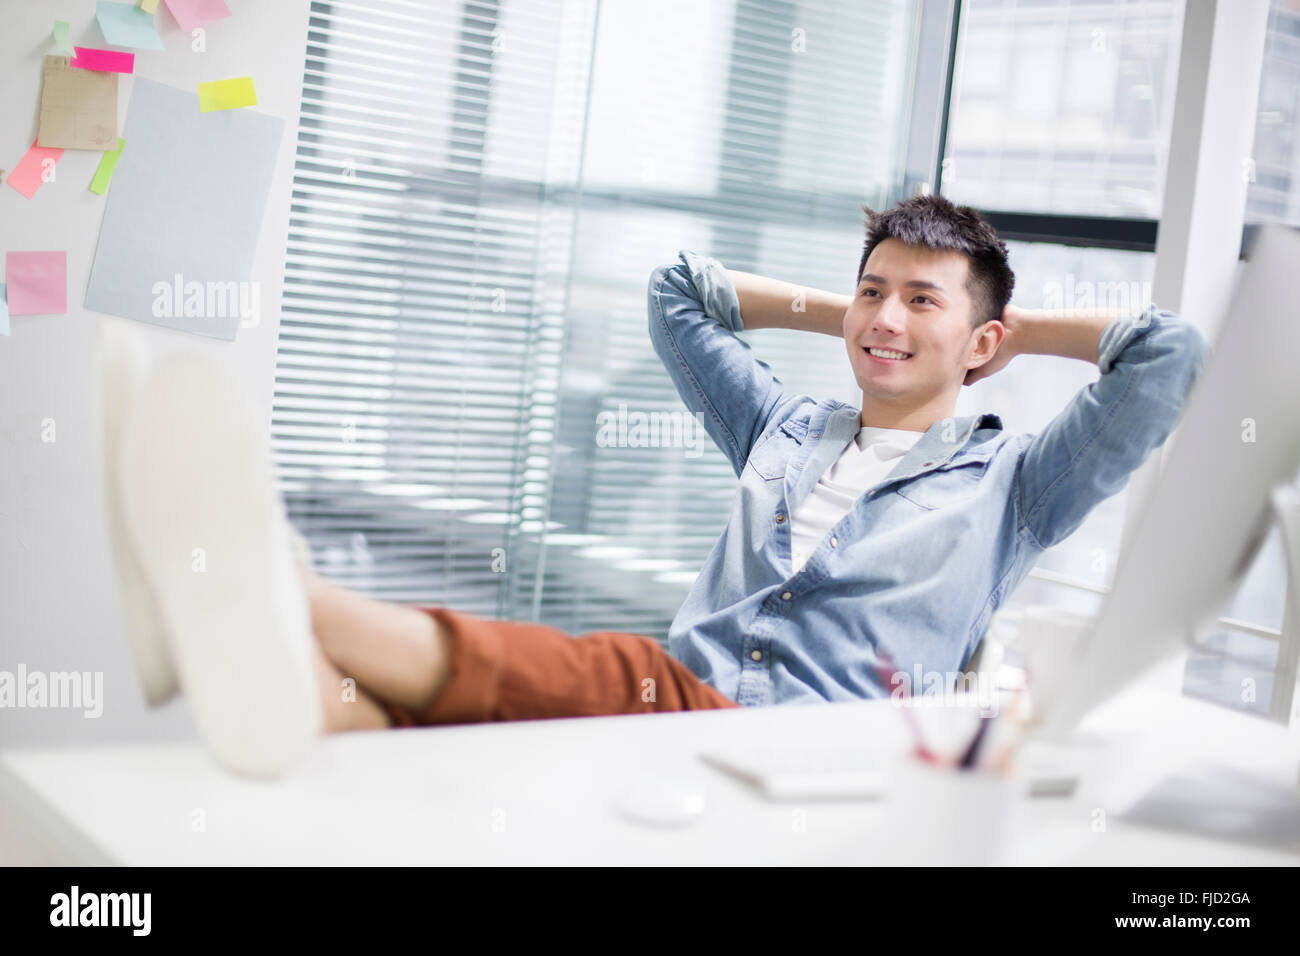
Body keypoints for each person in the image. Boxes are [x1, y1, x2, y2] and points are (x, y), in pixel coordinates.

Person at [98, 194, 1207, 776]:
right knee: (395, 734)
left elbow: (1167, 356)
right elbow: (678, 294)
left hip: (792, 746)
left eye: (923, 298)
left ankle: (290, 596)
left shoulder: (1014, 484)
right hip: (675, 722)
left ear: (982, 338)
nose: (885, 313)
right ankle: (268, 661)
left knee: (620, 665)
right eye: (874, 290)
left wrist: (998, 339)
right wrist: (855, 313)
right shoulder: (783, 425)